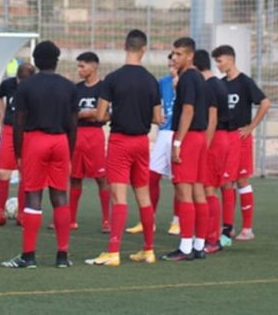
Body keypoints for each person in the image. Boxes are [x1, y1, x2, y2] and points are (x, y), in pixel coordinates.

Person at [86, 30, 162, 267]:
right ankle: (149, 250)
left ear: (124, 46)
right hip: (142, 142)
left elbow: (99, 115)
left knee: (119, 198)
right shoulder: (151, 80)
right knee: (144, 196)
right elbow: (158, 117)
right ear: (144, 50)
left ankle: (113, 251)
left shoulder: (113, 79)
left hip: (120, 141)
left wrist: (114, 113)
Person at [1, 41, 78, 269]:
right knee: (60, 197)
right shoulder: (69, 87)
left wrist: (18, 154)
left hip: (35, 141)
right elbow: (74, 125)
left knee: (33, 196)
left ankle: (29, 256)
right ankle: (62, 256)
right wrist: (70, 154)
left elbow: (18, 123)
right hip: (61, 141)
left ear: (35, 60)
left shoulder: (26, 86)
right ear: (57, 60)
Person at [212, 45, 271, 242]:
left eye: (220, 61)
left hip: (240, 137)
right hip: (224, 138)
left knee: (241, 180)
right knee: (225, 182)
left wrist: (251, 127)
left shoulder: (245, 82)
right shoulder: (220, 84)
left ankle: (247, 228)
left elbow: (265, 102)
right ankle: (227, 227)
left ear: (230, 59)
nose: (218, 65)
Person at [162, 37, 209, 261]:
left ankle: (186, 247)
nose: (174, 58)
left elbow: (188, 111)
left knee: (184, 192)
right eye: (173, 53)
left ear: (190, 56)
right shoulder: (199, 77)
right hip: (199, 137)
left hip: (189, 137)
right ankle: (199, 245)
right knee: (198, 191)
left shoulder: (188, 78)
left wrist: (178, 142)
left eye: (179, 54)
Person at [128, 52, 179, 236]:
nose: (172, 66)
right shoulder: (162, 83)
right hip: (163, 133)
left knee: (179, 181)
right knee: (151, 177)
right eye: (170, 63)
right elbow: (154, 105)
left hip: (180, 135)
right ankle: (149, 219)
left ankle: (177, 220)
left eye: (175, 62)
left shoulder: (189, 81)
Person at [194, 49, 238, 254]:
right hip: (219, 138)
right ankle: (209, 235)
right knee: (207, 188)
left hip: (215, 138)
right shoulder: (217, 84)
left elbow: (212, 119)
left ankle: (212, 238)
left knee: (208, 189)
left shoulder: (210, 86)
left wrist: (205, 144)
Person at [0, 62, 35, 227]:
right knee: (2, 173)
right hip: (9, 130)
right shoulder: (8, 85)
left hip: (29, 131)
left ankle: (22, 213)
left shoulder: (36, 87)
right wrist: (1, 117)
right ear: (17, 78)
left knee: (25, 174)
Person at [70, 52, 110, 233]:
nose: (79, 70)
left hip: (95, 136)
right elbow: (71, 114)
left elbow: (106, 115)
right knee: (75, 177)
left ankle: (107, 220)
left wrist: (90, 114)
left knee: (101, 178)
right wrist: (90, 113)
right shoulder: (76, 89)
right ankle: (71, 219)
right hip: (77, 135)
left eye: (82, 66)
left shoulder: (104, 88)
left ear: (93, 67)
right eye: (78, 66)